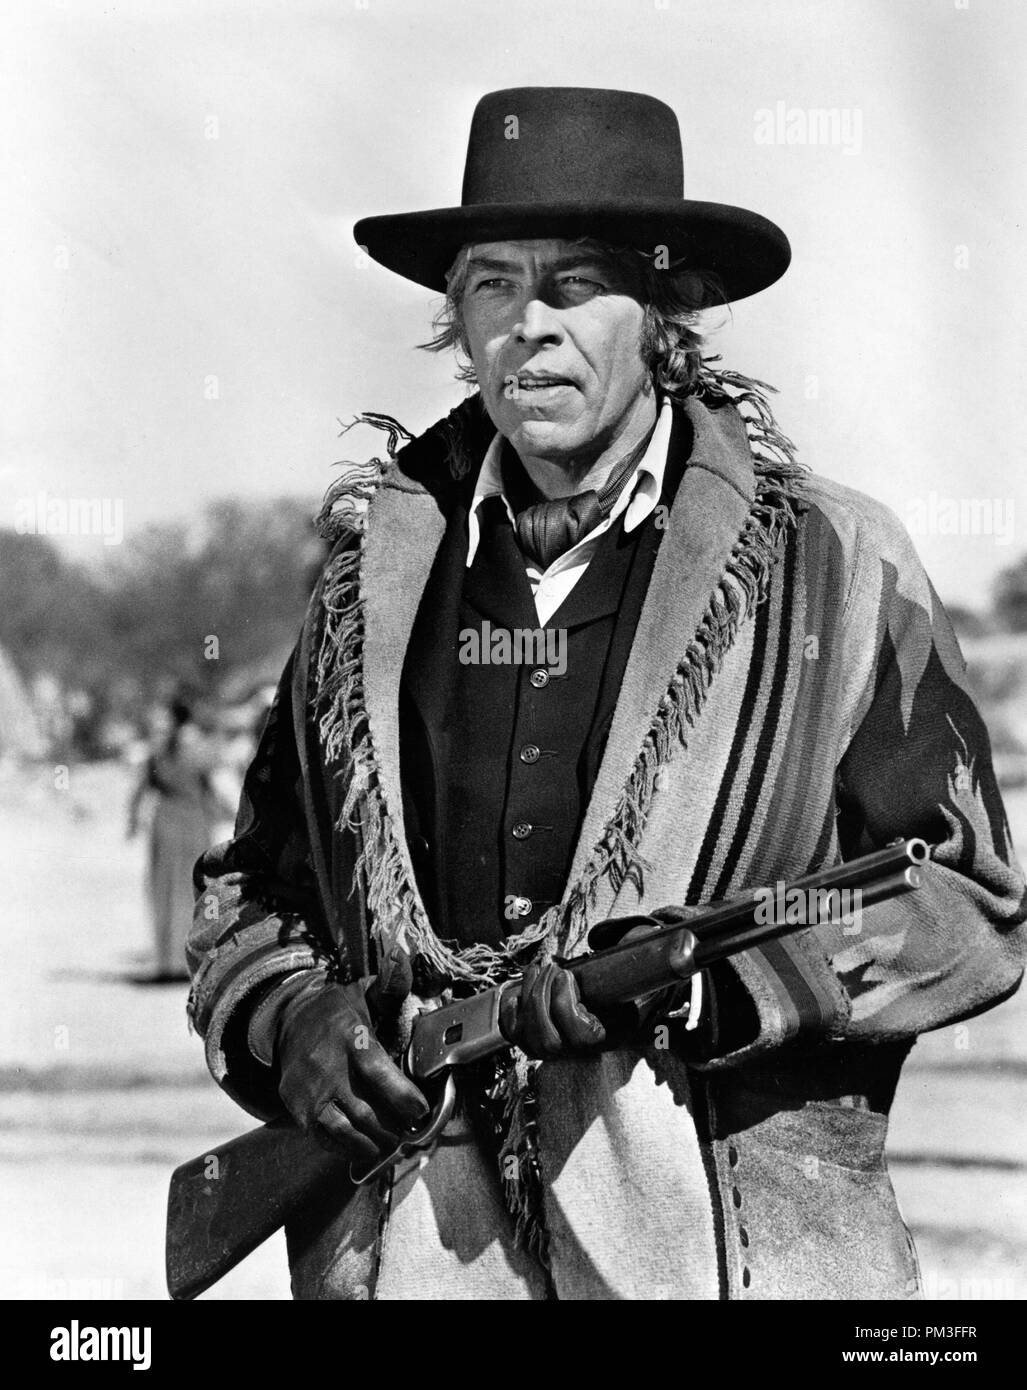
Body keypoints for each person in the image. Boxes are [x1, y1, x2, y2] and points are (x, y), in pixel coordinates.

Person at [186, 88, 1026, 1300]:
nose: (529, 326)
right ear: (456, 321)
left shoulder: (834, 563)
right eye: (491, 284)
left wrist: (726, 980)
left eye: (575, 285)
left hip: (731, 1251)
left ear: (665, 311)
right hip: (418, 1252)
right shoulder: (363, 587)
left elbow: (972, 897)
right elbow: (249, 894)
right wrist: (293, 1020)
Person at [129, 695, 222, 982]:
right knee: (192, 891)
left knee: (164, 890)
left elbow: (140, 790)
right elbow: (210, 790)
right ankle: (189, 962)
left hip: (166, 824)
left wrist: (131, 821)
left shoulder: (158, 751)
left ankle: (167, 962)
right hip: (194, 822)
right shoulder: (199, 751)